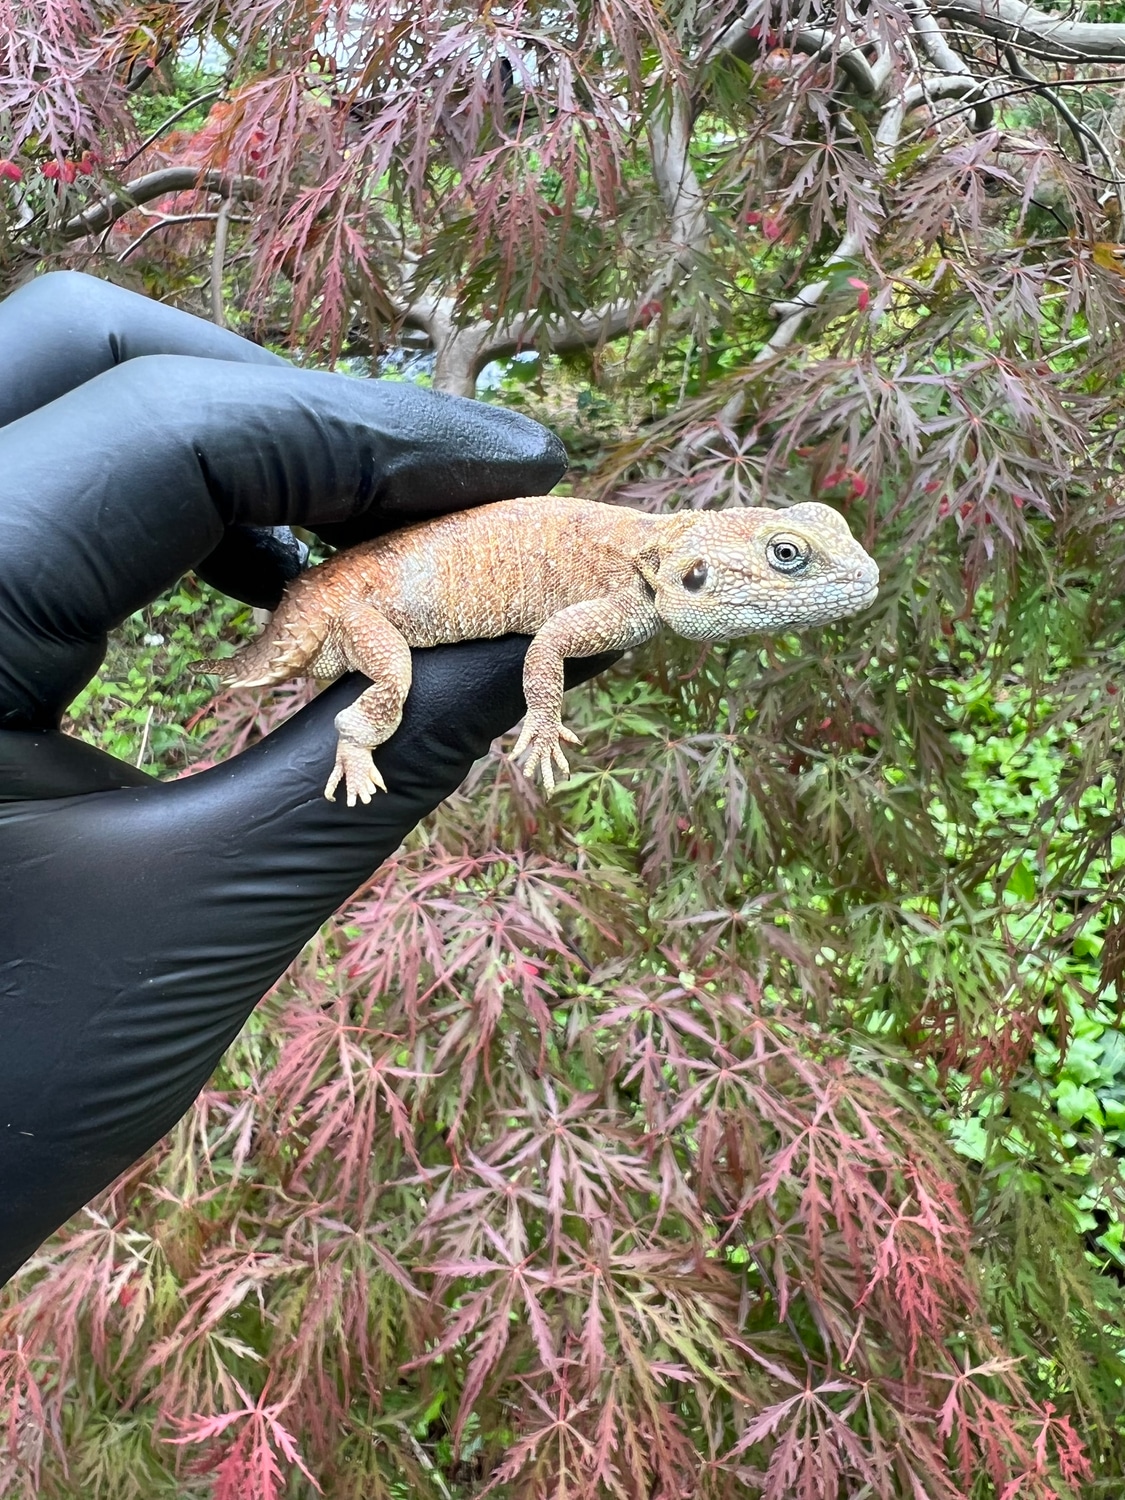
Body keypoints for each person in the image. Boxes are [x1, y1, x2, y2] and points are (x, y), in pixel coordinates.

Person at [0, 271, 612, 1288]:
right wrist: (386, 735)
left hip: (385, 584)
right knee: (396, 687)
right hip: (373, 607)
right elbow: (545, 657)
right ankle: (361, 731)